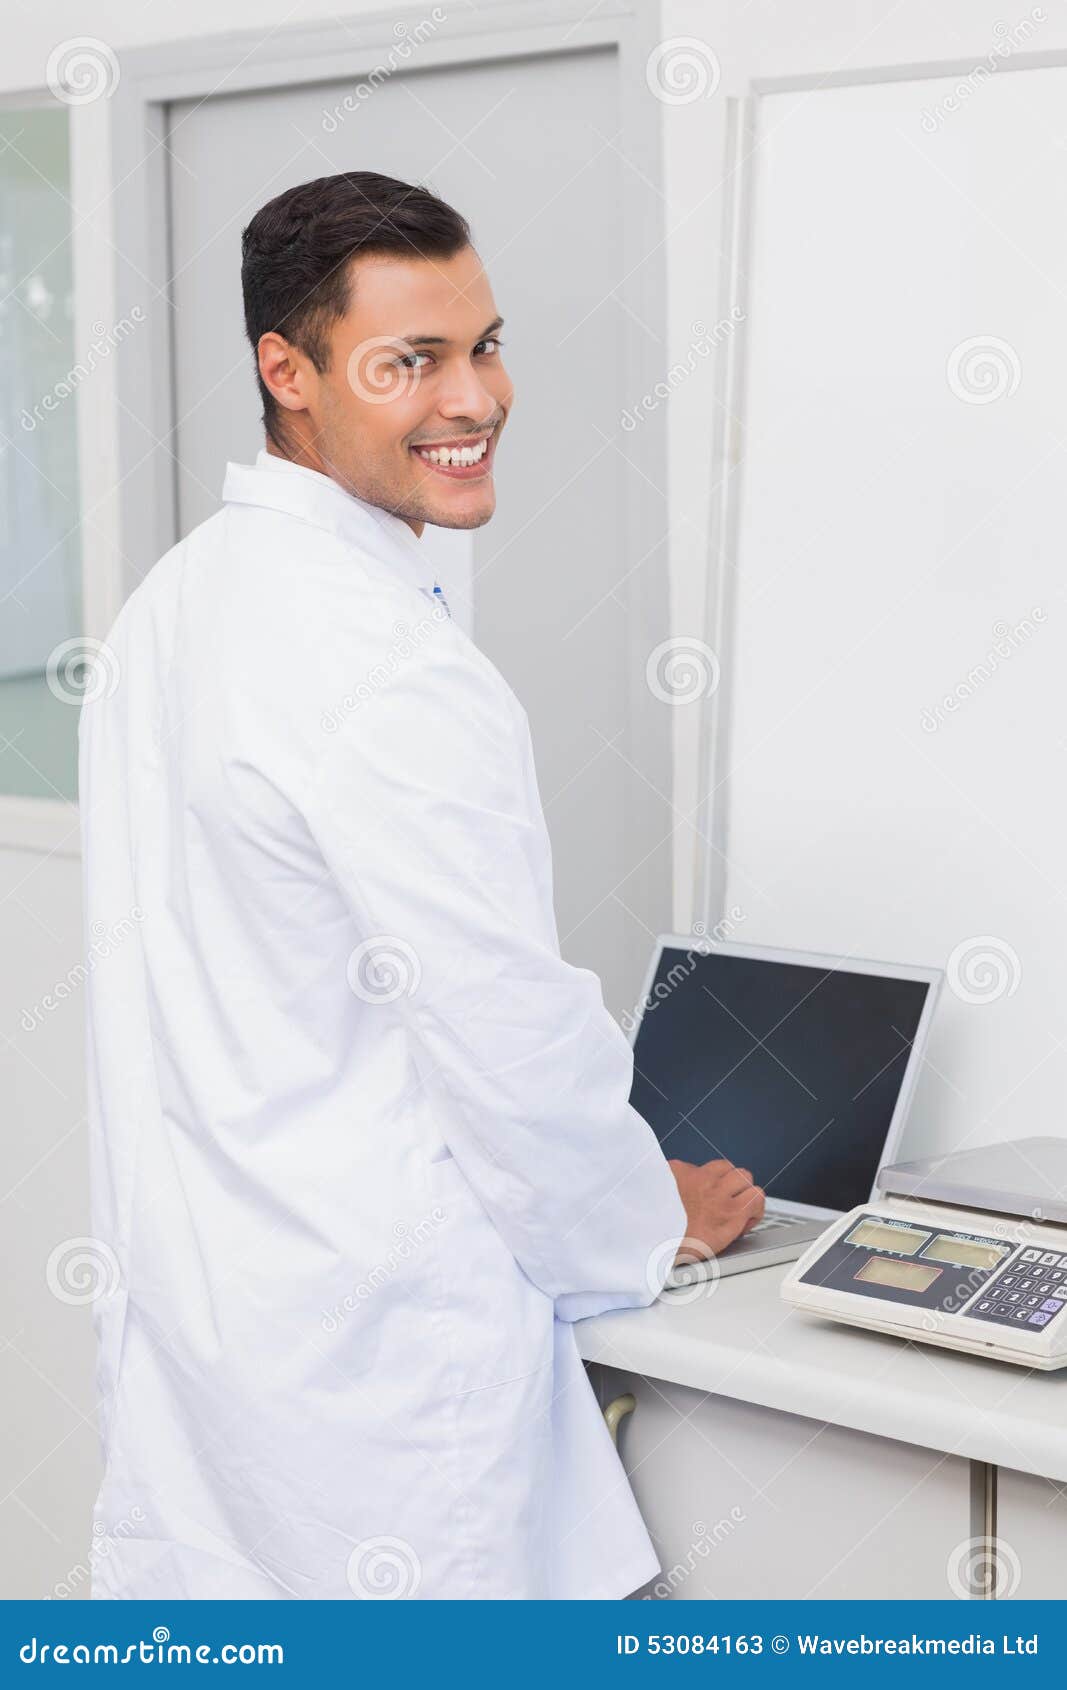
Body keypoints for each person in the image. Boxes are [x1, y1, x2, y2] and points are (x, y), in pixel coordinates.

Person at [78, 171, 764, 1601]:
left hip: (220, 1355)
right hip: (389, 1398)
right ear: (290, 371)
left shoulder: (178, 602)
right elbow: (507, 1036)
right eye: (411, 362)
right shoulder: (386, 669)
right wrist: (648, 1212)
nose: (476, 397)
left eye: (486, 344)